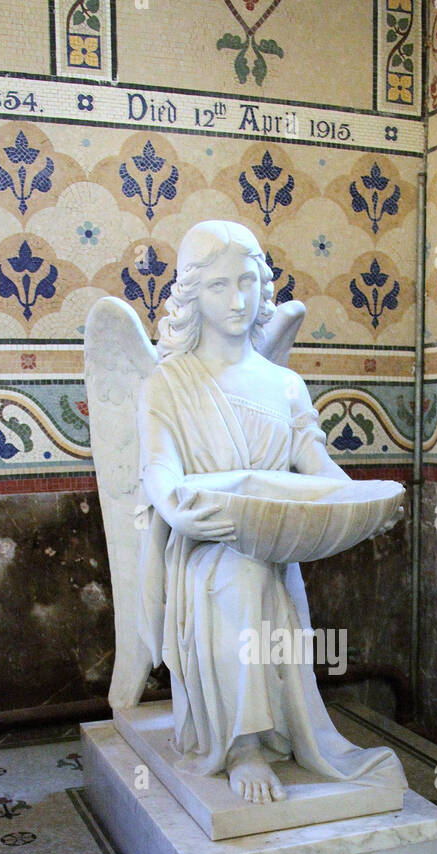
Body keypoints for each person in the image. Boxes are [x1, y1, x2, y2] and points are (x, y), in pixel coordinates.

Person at [136, 219, 406, 805]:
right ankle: (242, 746)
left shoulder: (285, 385)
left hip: (272, 547)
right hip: (205, 550)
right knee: (240, 570)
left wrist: (362, 502)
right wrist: (178, 511)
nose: (237, 300)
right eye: (218, 287)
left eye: (248, 281)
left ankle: (265, 732)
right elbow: (157, 471)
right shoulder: (168, 383)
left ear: (263, 285)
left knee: (258, 568)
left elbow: (318, 468)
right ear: (192, 296)